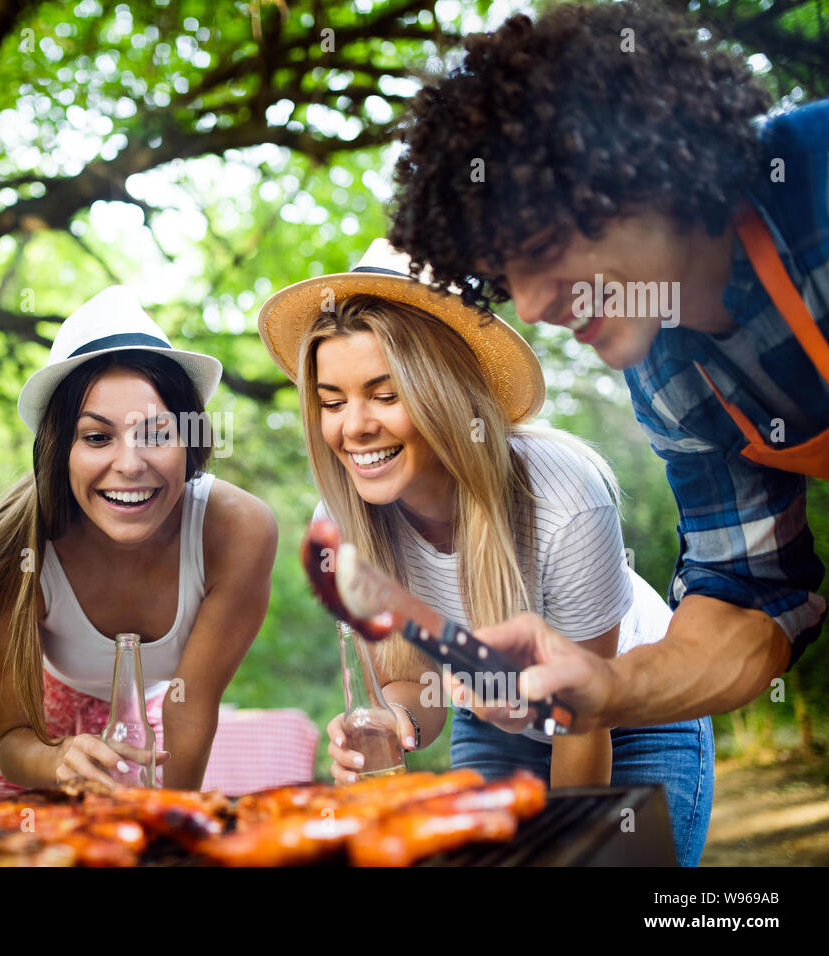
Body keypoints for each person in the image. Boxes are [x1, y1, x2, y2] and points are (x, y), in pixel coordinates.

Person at [384, 1, 827, 736]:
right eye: (503, 274)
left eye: (541, 247)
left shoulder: (816, 182)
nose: (526, 305)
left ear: (642, 163)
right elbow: (754, 595)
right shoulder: (667, 375)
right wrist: (610, 684)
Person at [258, 239, 713, 865]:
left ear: (444, 392)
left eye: (385, 395)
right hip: (493, 717)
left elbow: (584, 718)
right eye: (332, 402)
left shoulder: (565, 495)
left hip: (629, 716)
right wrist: (396, 722)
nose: (352, 426)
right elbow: (412, 685)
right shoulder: (339, 529)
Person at [0, 286, 276, 807]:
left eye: (156, 434)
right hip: (24, 735)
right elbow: (14, 742)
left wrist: (174, 828)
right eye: (97, 438)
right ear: (59, 450)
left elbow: (188, 707)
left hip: (137, 718)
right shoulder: (14, 548)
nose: (129, 464)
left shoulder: (238, 531)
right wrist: (57, 759)